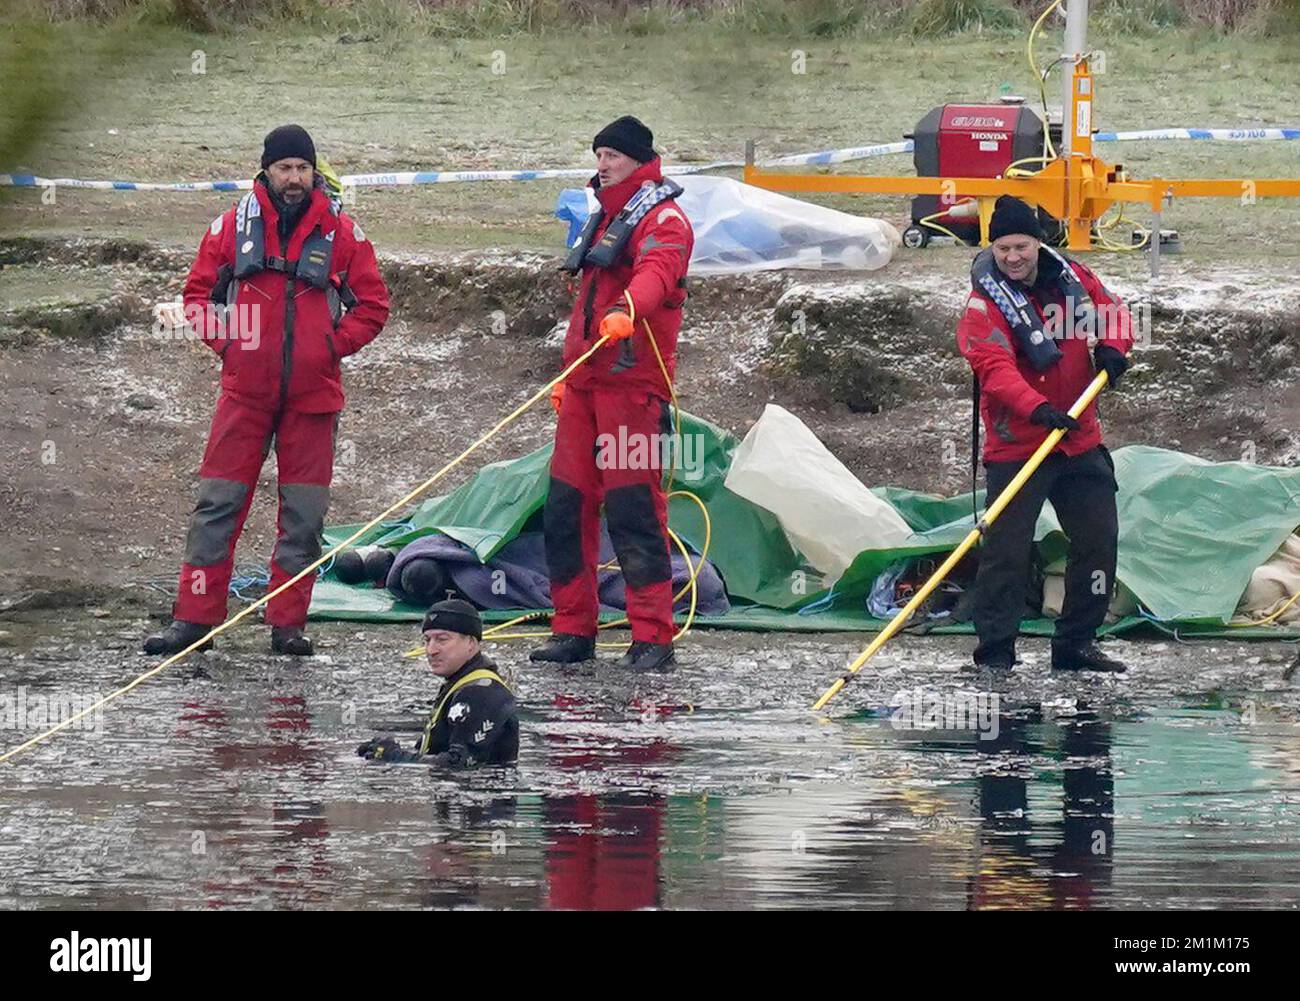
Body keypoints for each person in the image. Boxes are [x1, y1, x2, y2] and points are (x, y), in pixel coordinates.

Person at [144, 125, 389, 657]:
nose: (295, 178)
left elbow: (373, 306)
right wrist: (230, 345)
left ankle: (288, 626)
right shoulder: (231, 226)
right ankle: (193, 621)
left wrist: (331, 346)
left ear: (315, 172)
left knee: (303, 518)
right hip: (243, 395)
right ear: (267, 171)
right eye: (285, 168)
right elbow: (197, 299)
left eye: (304, 168)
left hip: (314, 398)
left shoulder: (343, 232)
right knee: (217, 508)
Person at [531, 115, 694, 673]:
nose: (602, 165)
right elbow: (584, 303)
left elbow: (657, 271)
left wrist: (628, 309)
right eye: (598, 155)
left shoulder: (665, 219)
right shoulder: (604, 215)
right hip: (583, 383)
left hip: (634, 388)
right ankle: (572, 628)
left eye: (613, 157)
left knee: (634, 511)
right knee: (565, 507)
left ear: (639, 160)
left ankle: (653, 635)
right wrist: (566, 375)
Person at [956, 195, 1134, 673]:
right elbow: (992, 367)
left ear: (1038, 243)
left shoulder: (1074, 280)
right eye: (1002, 249)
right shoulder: (983, 303)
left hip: (1078, 439)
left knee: (1099, 541)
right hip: (1018, 444)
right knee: (1007, 554)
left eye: (1020, 246)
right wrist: (1038, 410)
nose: (1012, 257)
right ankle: (995, 655)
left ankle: (1076, 643)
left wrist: (1114, 349)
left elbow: (1114, 313)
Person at [357, 599, 519, 766]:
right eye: (427, 640)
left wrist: (398, 757)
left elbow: (459, 762)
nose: (431, 650)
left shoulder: (480, 692)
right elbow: (433, 753)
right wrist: (384, 749)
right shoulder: (460, 684)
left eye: (442, 640)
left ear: (471, 643)